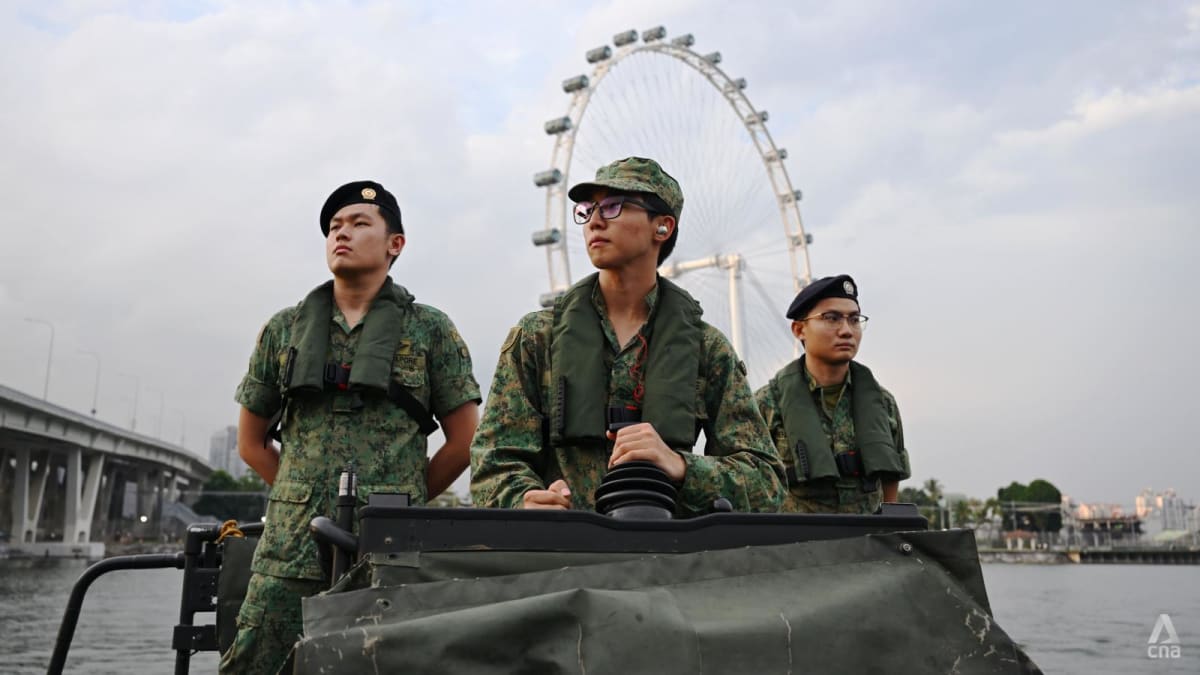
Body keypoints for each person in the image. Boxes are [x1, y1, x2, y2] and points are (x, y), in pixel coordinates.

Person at [220, 181, 481, 674]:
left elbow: (466, 440)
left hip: (391, 553)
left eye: (360, 223)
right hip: (287, 553)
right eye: (334, 226)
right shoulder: (284, 328)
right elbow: (251, 443)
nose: (342, 233)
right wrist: (298, 501)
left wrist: (402, 501)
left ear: (394, 244)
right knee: (256, 664)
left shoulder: (429, 329)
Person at [470, 157, 784, 515]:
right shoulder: (536, 338)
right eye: (587, 210)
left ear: (662, 227)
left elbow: (767, 482)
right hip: (560, 557)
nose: (595, 221)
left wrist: (682, 467)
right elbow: (492, 462)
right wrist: (523, 499)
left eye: (613, 207)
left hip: (670, 560)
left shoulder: (707, 349)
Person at [754, 275, 910, 514]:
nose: (846, 331)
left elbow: (890, 481)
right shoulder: (766, 404)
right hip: (794, 545)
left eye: (854, 319)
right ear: (799, 329)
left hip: (865, 544)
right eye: (832, 318)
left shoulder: (883, 403)